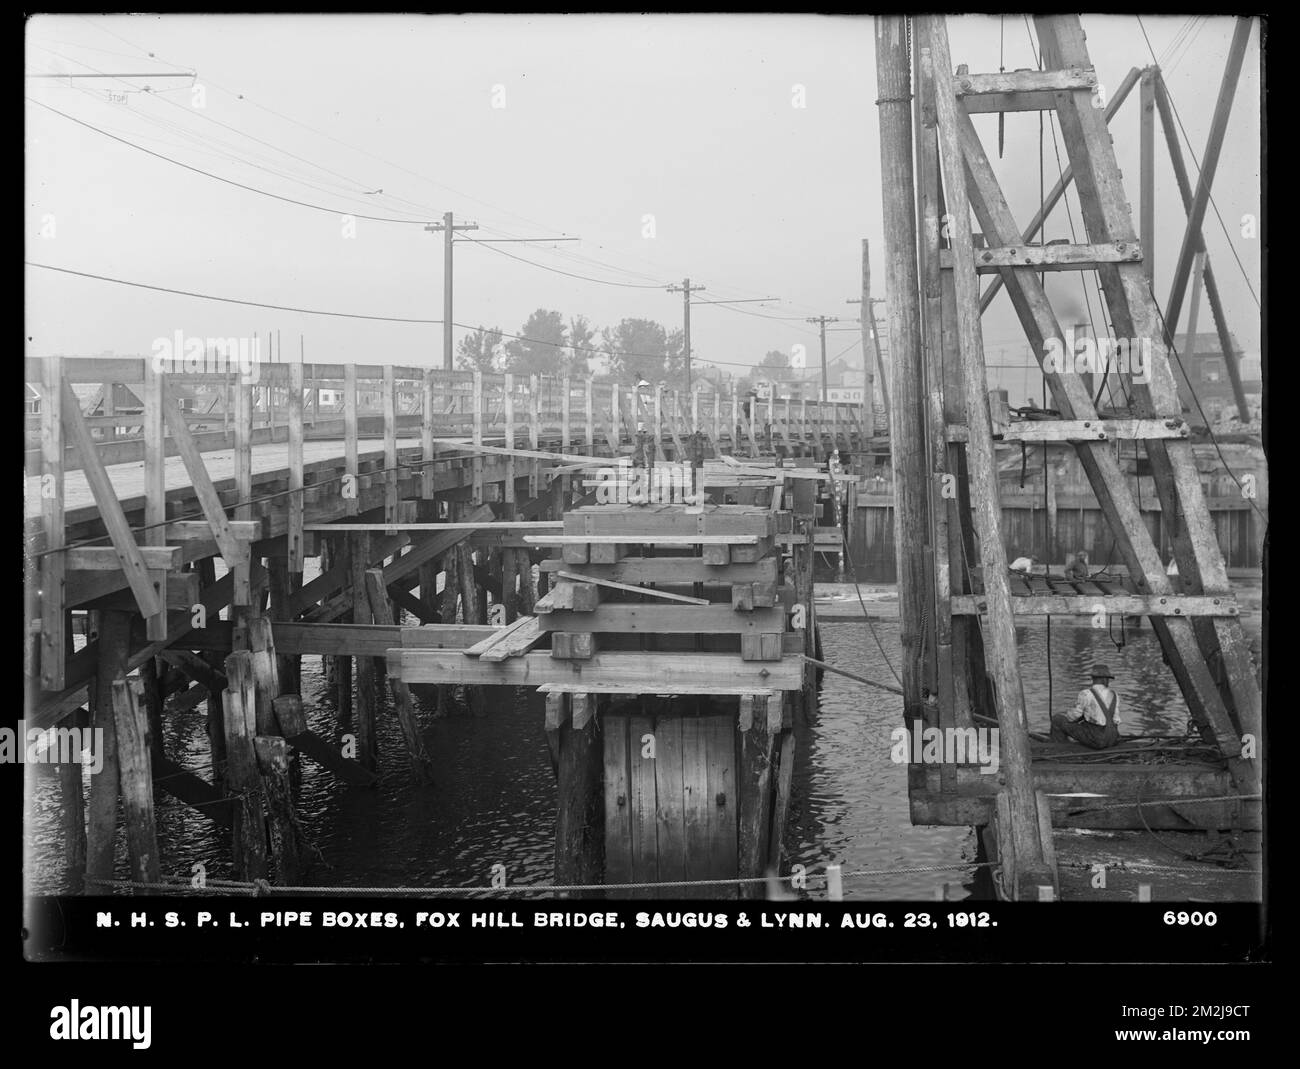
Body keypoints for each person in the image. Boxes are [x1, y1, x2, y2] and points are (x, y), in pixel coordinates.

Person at [1050, 664, 1122, 749]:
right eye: (1108, 679)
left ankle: (1060, 748)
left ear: (1093, 678)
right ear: (1104, 679)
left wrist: (1066, 715)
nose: (1108, 681)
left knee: (1057, 719)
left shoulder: (1086, 694)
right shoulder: (1115, 695)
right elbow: (1116, 720)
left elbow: (1072, 717)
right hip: (1112, 739)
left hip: (1096, 739)